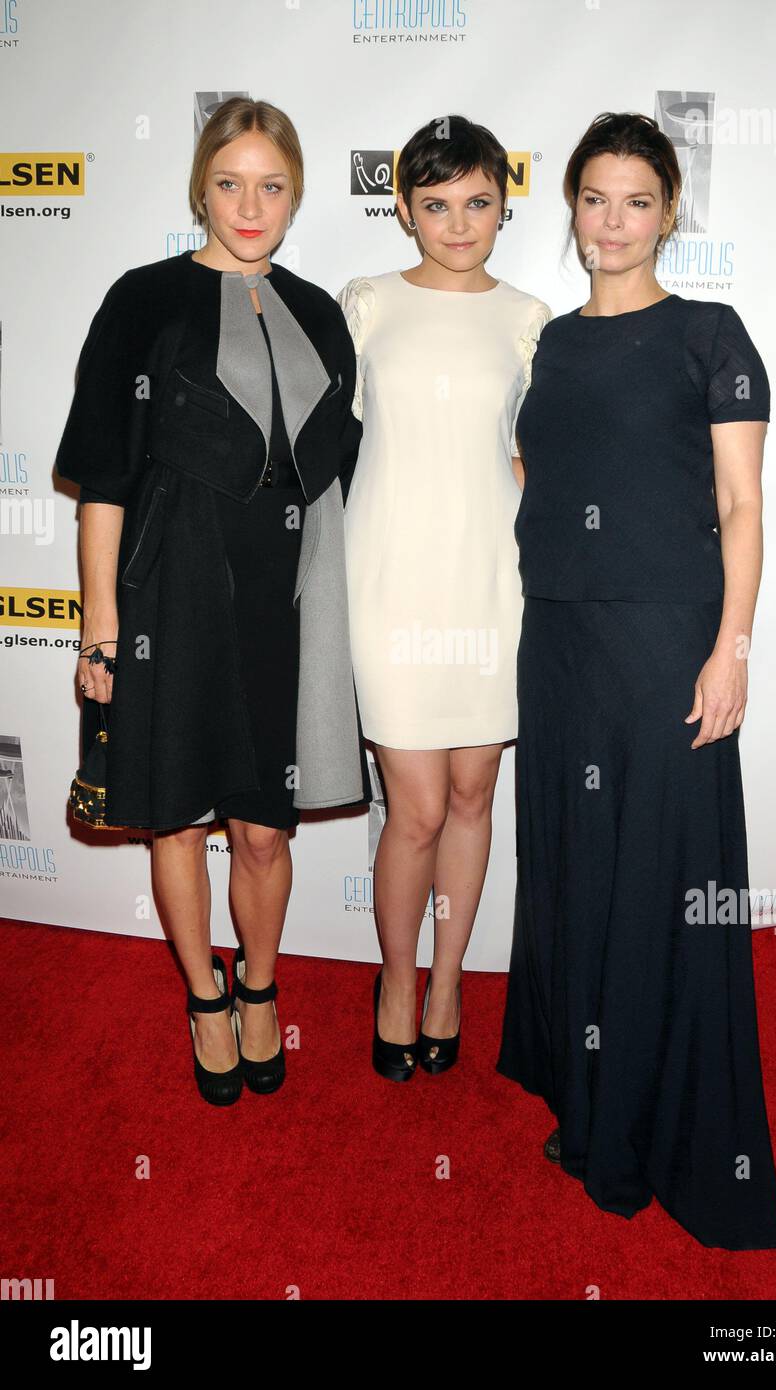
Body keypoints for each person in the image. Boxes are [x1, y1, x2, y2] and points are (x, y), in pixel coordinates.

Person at [495, 112, 776, 1250]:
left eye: (637, 201)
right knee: (575, 865)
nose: (613, 222)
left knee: (658, 873)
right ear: (569, 208)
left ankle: (653, 1125)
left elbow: (742, 507)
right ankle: (586, 1091)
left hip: (668, 640)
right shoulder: (552, 344)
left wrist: (730, 648)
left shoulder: (711, 332)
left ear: (670, 212)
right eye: (594, 199)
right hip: (557, 638)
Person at [55, 97, 372, 1106]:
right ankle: (203, 998)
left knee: (265, 828)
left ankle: (261, 986)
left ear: (297, 195)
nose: (250, 204)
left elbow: (340, 475)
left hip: (286, 603)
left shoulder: (321, 311)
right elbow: (104, 476)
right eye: (230, 182)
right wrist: (100, 627)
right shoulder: (142, 300)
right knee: (180, 822)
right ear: (199, 185)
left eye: (271, 185)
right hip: (169, 594)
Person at [336, 115, 550, 1080]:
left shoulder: (530, 317)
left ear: (504, 205)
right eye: (435, 204)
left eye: (476, 203)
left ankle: (451, 977)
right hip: (388, 578)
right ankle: (396, 979)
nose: (458, 224)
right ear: (405, 210)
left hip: (490, 581)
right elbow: (321, 448)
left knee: (473, 794)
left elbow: (540, 453)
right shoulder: (367, 304)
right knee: (413, 807)